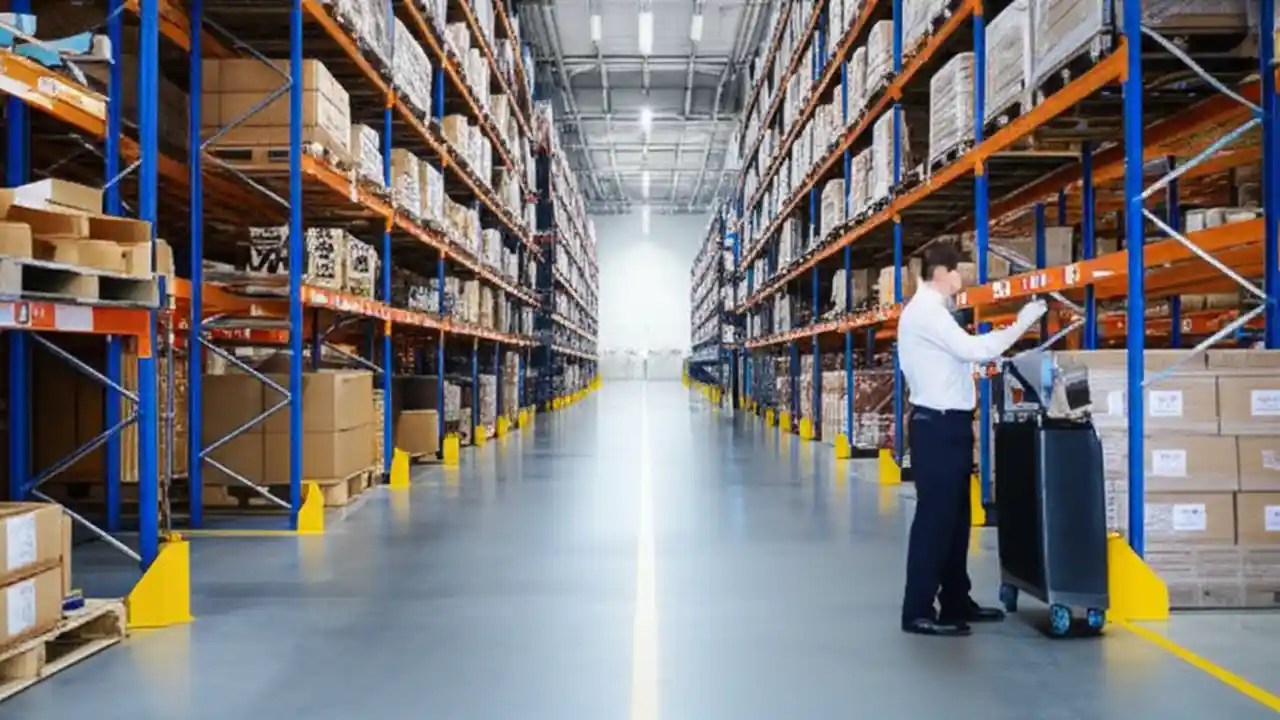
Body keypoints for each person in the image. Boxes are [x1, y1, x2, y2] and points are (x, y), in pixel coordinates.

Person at [897, 243, 1047, 637]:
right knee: (935, 520)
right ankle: (917, 610)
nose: (961, 279)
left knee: (956, 519)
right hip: (938, 427)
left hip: (947, 426)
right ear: (944, 273)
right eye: (958, 271)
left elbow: (959, 358)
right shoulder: (929, 312)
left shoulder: (931, 312)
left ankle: (955, 600)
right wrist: (1021, 324)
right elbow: (975, 349)